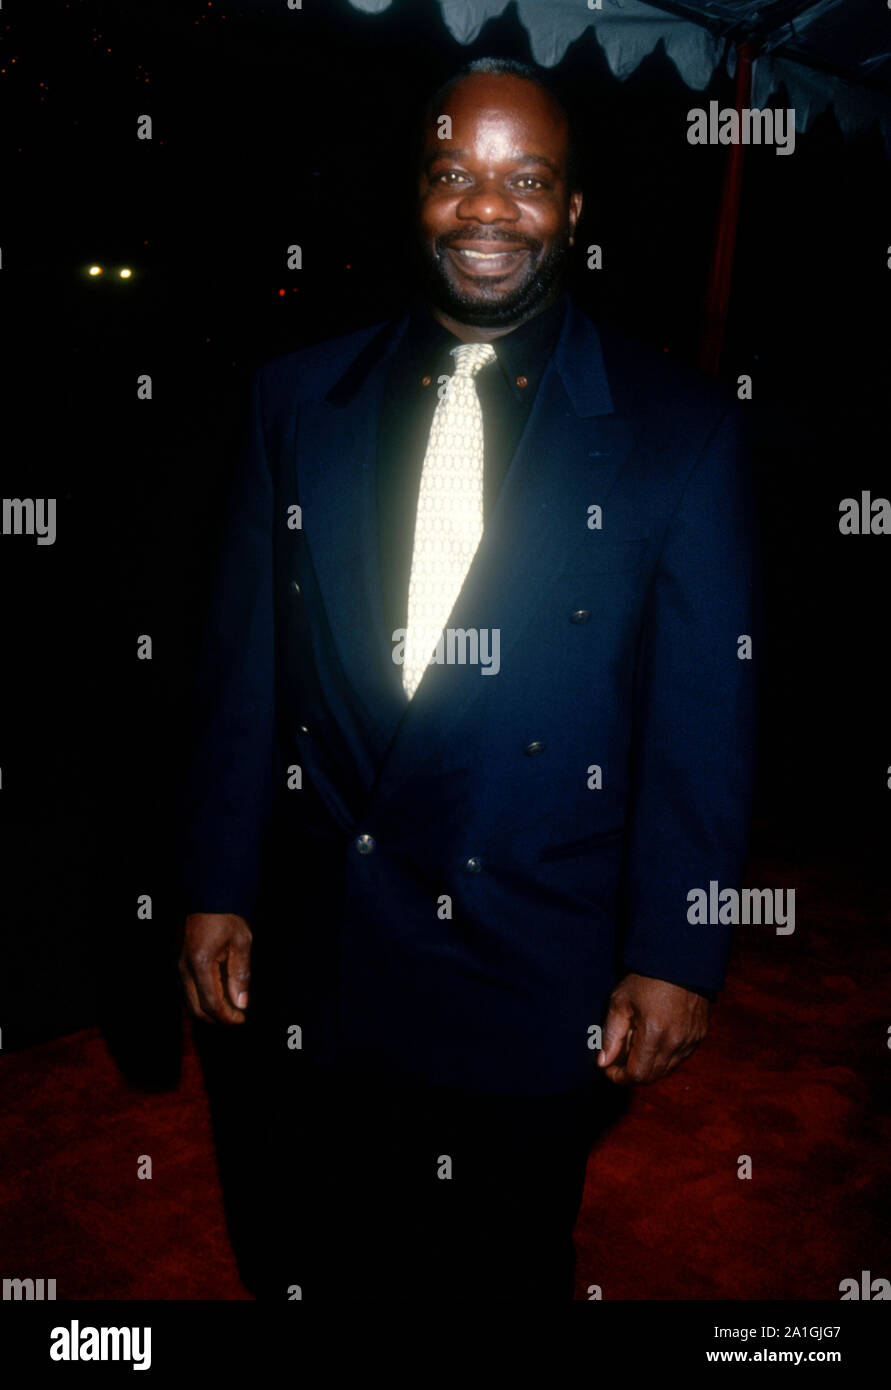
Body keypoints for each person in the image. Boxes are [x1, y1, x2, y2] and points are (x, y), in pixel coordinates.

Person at [178, 57, 759, 1300]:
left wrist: (679, 948)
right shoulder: (294, 399)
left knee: (494, 1274)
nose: (487, 210)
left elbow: (704, 720)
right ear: (417, 194)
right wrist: (218, 879)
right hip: (319, 963)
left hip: (530, 973)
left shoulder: (681, 430)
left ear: (575, 208)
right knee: (309, 1252)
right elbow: (241, 671)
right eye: (455, 176)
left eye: (527, 180)